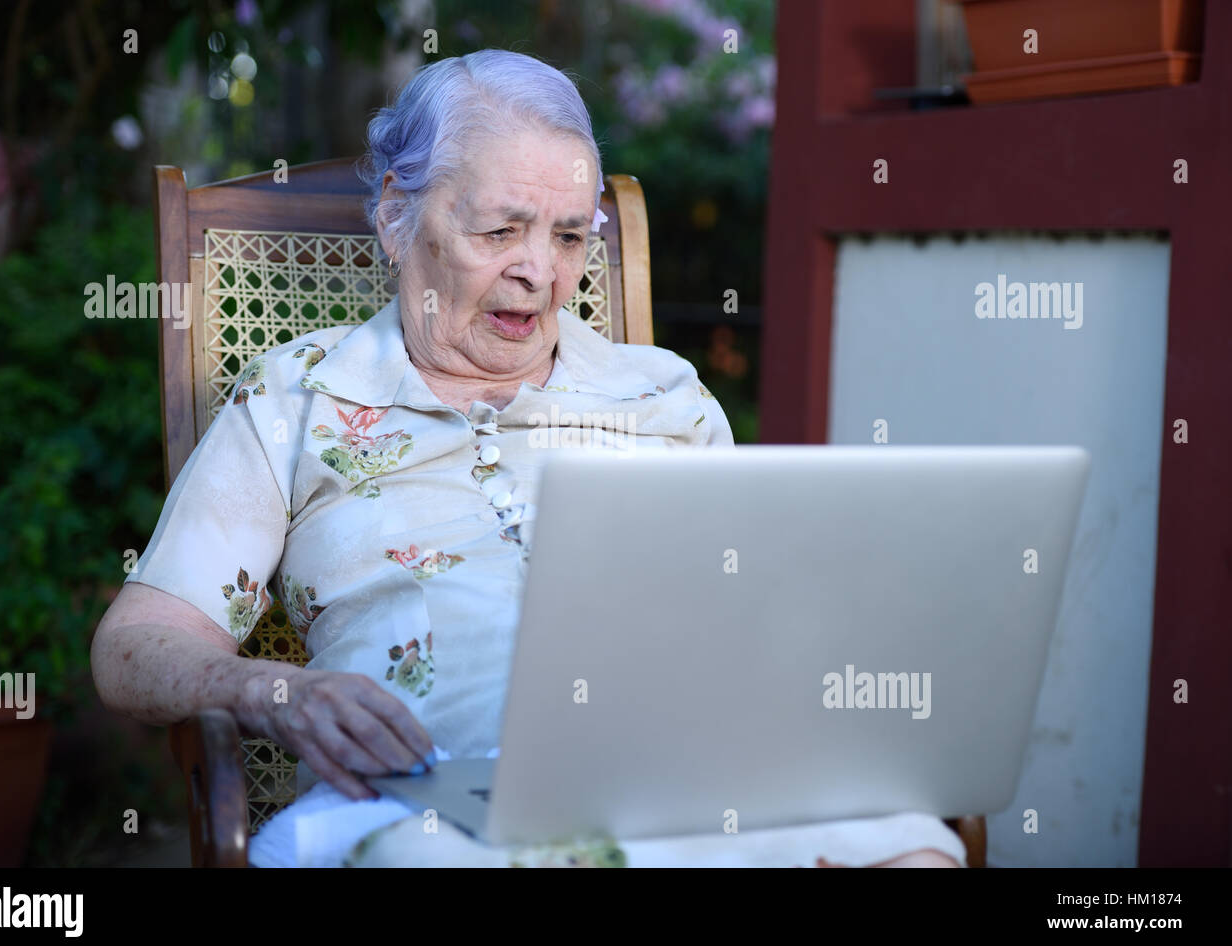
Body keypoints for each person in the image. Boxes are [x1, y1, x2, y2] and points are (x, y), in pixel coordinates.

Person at [91, 49, 964, 868]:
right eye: (502, 230)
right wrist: (277, 694)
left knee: (907, 842)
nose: (542, 273)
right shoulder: (297, 397)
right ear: (398, 213)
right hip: (423, 798)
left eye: (572, 238)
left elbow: (765, 627)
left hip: (682, 779)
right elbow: (135, 647)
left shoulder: (664, 396)